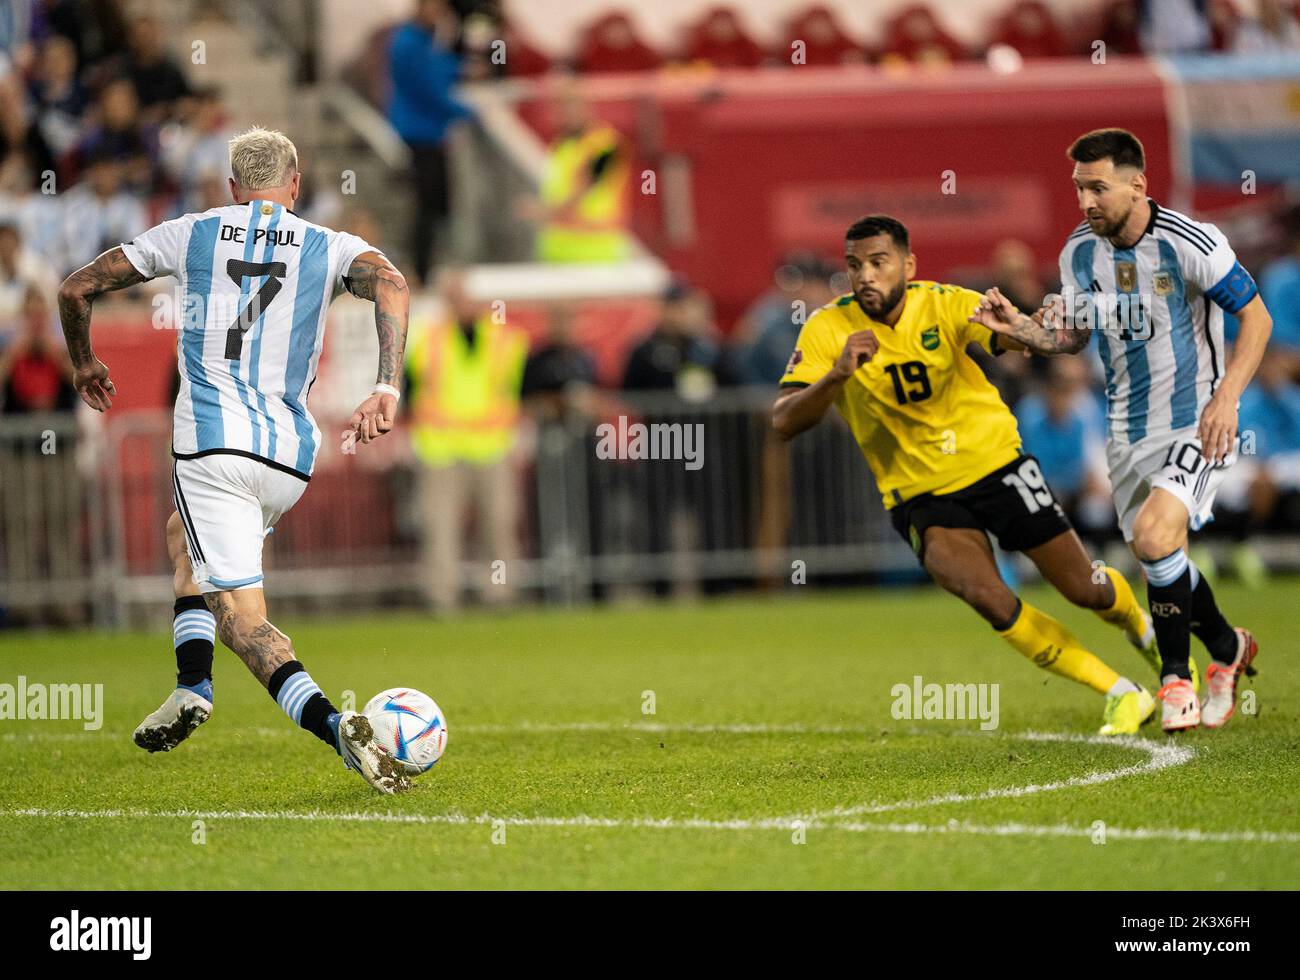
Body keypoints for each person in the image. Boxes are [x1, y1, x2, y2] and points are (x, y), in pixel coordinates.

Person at [56, 127, 415, 793]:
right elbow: (392, 284)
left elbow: (77, 289)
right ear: (296, 183)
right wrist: (386, 386)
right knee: (180, 534)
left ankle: (338, 729)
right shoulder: (329, 245)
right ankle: (192, 688)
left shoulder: (190, 232)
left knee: (242, 619)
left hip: (215, 447)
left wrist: (85, 361)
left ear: (231, 188)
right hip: (288, 457)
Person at [773, 214, 1158, 736]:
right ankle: (1121, 693)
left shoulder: (946, 302)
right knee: (988, 597)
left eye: (878, 262)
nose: (865, 275)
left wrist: (1046, 333)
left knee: (1084, 589)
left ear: (907, 266)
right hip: (919, 494)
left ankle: (1146, 631)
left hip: (995, 465)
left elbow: (1031, 339)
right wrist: (838, 374)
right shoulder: (826, 328)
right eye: (855, 265)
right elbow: (785, 421)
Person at [972, 128, 1273, 732]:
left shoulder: (1192, 242)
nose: (1086, 201)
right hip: (1125, 429)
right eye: (1080, 188)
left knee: (1160, 540)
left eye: (1098, 187)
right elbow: (1074, 339)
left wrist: (1227, 401)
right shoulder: (1079, 253)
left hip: (1196, 420)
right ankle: (1228, 649)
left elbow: (1257, 318)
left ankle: (1174, 682)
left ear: (1137, 185)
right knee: (1158, 558)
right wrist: (1023, 330)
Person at [405, 267, 526, 611]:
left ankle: (500, 594)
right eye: (453, 296)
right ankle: (442, 597)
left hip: (490, 446)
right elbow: (413, 394)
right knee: (440, 528)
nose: (460, 303)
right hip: (441, 448)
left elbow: (516, 390)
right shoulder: (430, 340)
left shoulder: (505, 340)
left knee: (499, 524)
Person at [387, 0, 472, 286]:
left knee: (438, 206)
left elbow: (436, 68)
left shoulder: (422, 41)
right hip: (418, 137)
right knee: (426, 207)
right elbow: (428, 89)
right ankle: (422, 272)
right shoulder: (408, 42)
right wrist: (471, 112)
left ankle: (434, 270)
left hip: (430, 137)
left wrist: (462, 67)